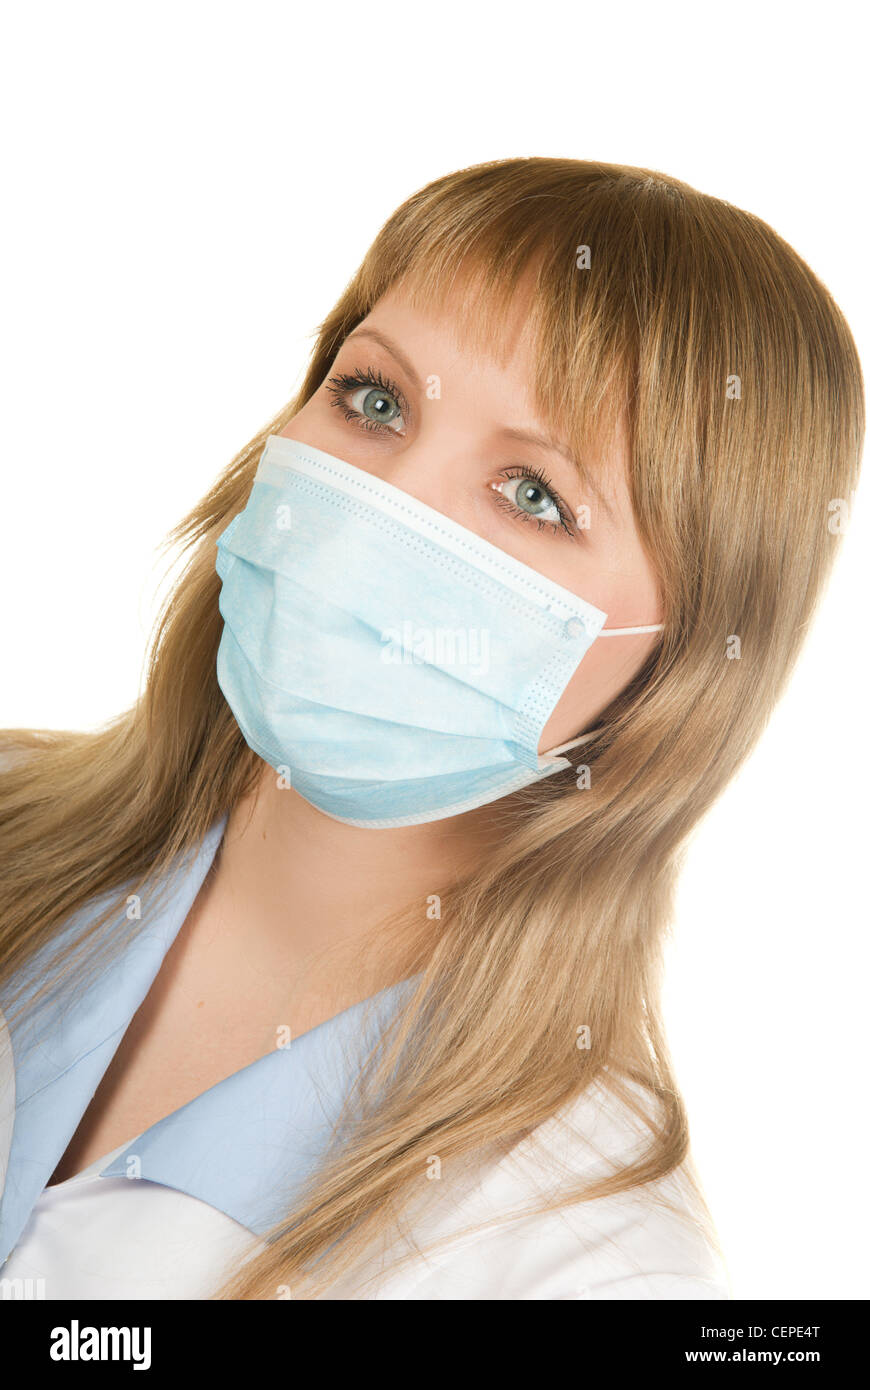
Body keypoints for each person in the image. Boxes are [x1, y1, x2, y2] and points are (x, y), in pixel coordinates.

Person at [0, 157, 862, 1300]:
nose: (386, 507)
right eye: (375, 399)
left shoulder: (588, 1264)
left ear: (679, 662)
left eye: (536, 493)